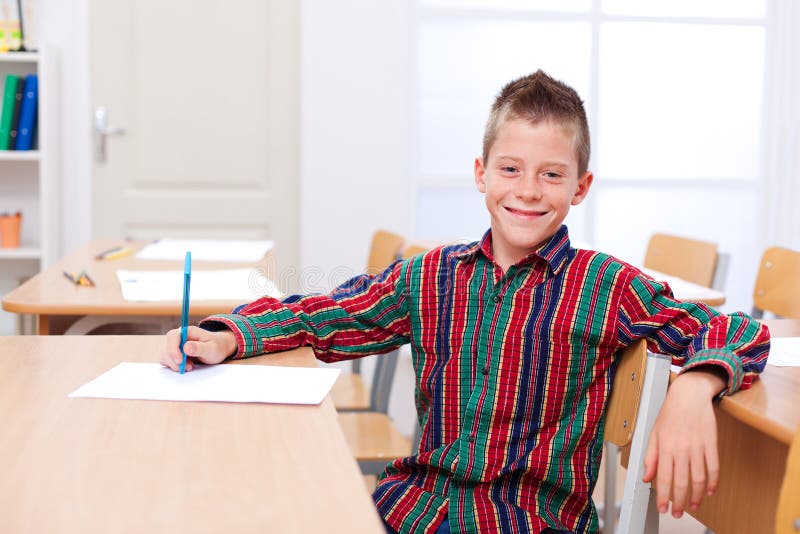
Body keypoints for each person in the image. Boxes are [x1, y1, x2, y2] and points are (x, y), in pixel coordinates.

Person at [160, 70, 770, 533]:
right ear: (481, 173)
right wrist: (231, 334)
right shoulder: (431, 277)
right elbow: (332, 314)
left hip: (532, 520)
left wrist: (695, 385)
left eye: (552, 175)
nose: (528, 191)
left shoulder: (603, 287)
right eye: (510, 168)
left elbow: (736, 330)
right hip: (419, 508)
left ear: (580, 187)